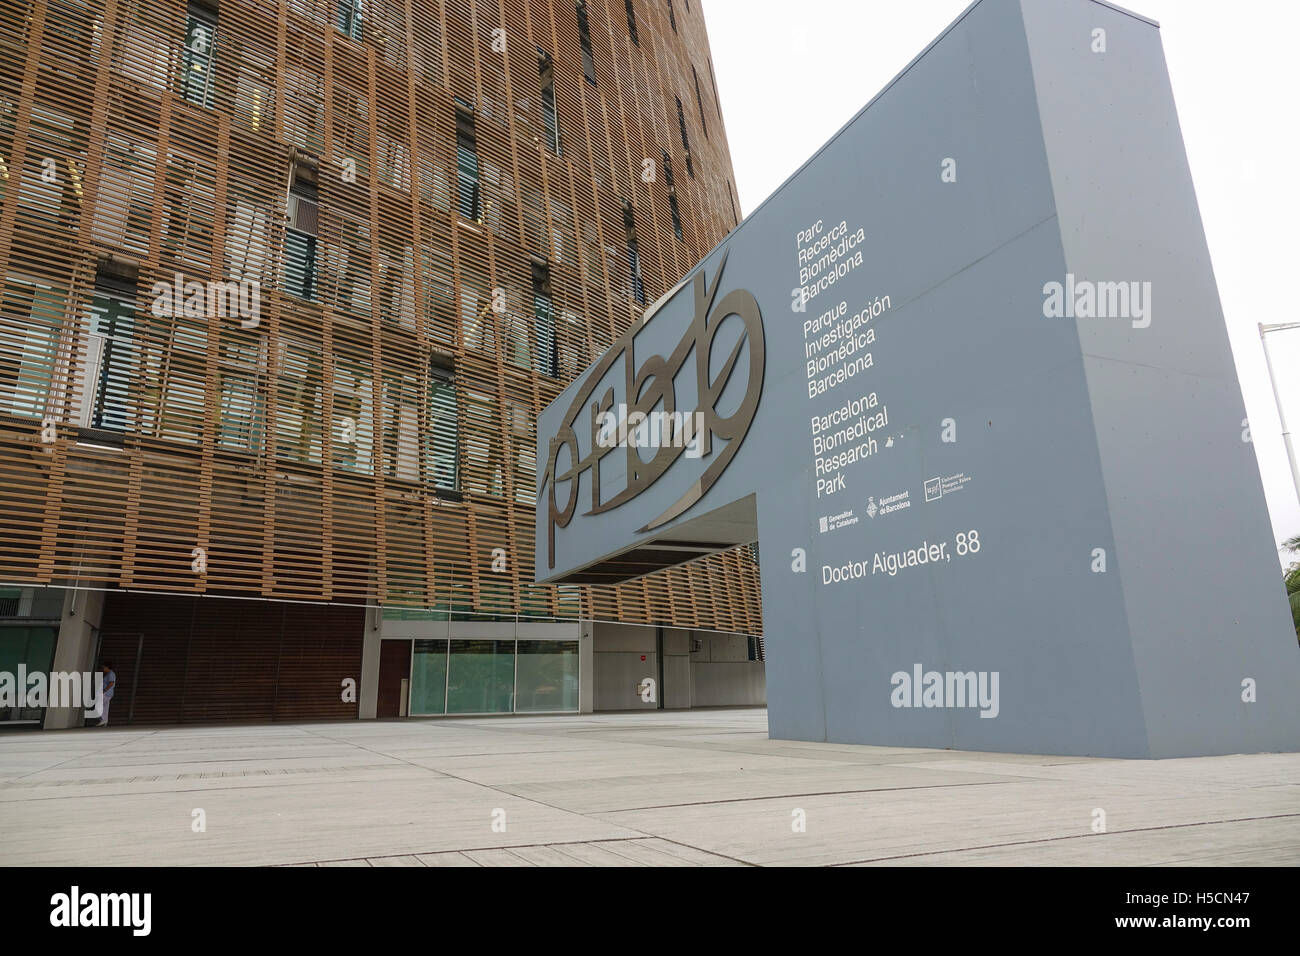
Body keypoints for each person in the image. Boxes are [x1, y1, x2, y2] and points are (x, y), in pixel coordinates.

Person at [97, 662, 116, 727]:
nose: (103, 669)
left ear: (107, 667)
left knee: (100, 706)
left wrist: (104, 690)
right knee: (105, 707)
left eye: (104, 667)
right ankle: (104, 720)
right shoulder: (109, 674)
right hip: (107, 693)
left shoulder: (110, 674)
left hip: (106, 693)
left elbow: (111, 683)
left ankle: (103, 719)